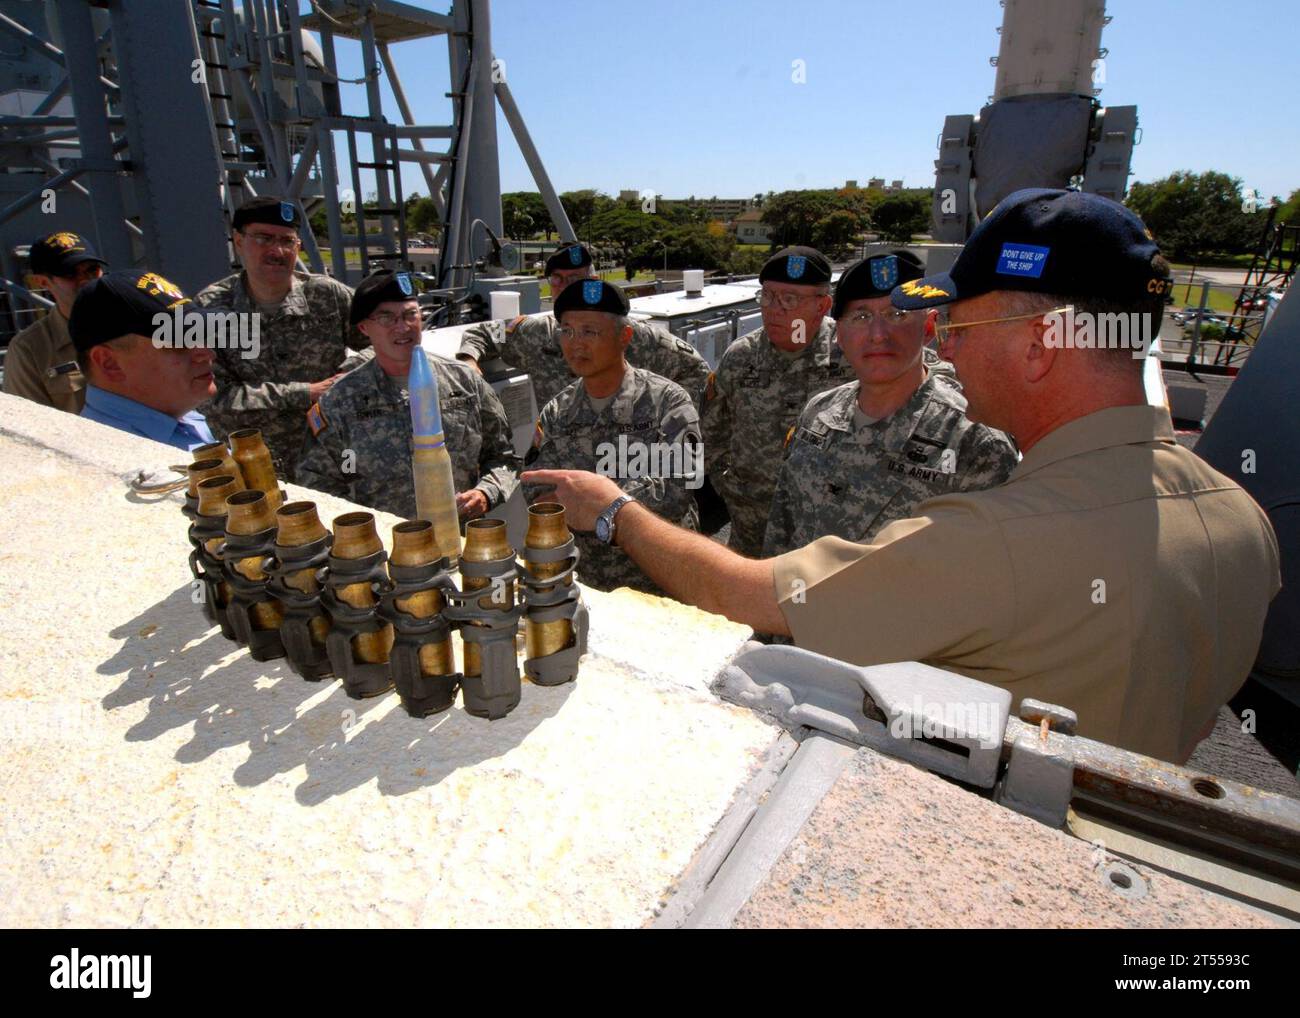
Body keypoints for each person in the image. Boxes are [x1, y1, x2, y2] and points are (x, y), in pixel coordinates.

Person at [523, 189, 1281, 764]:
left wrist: (611, 507)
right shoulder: (1244, 518)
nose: (946, 350)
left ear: (1040, 346)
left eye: (961, 329)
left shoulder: (997, 537)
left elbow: (752, 592)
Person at [762, 251, 1017, 556]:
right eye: (861, 317)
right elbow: (782, 530)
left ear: (928, 328)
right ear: (839, 334)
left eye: (898, 315)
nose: (878, 335)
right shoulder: (819, 413)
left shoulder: (975, 442)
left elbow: (992, 575)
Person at [522, 279, 700, 595]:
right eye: (567, 330)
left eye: (590, 332)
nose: (576, 343)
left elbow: (680, 488)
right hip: (587, 580)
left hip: (659, 580)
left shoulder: (668, 402)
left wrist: (597, 504)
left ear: (625, 337)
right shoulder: (557, 411)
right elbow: (536, 487)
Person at [296, 270, 519, 520]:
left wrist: (486, 493)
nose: (402, 327)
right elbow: (316, 482)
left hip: (460, 539)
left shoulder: (466, 383)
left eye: (410, 314)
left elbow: (504, 457)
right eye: (386, 317)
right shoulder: (340, 402)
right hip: (383, 545)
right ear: (364, 327)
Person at [700, 245, 855, 557]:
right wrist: (731, 489)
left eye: (789, 299)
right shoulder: (740, 357)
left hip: (825, 527)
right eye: (767, 296)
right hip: (751, 521)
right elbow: (711, 432)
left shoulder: (850, 356)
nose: (774, 309)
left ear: (822, 305)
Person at [196, 196, 366, 475]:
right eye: (263, 238)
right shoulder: (207, 308)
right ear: (238, 241)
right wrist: (305, 393)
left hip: (330, 461)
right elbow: (208, 398)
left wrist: (345, 375)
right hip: (253, 468)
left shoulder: (326, 295)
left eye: (287, 241)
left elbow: (389, 342)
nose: (277, 250)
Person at [456, 241, 710, 411]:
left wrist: (664, 422)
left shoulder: (634, 335)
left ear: (594, 282)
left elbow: (695, 371)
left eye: (575, 279)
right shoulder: (537, 334)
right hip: (565, 461)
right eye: (557, 278)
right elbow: (486, 333)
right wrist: (469, 360)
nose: (565, 286)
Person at [69, 270, 217, 451]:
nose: (207, 353)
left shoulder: (174, 417)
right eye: (178, 343)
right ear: (109, 364)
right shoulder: (119, 456)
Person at [2, 231, 106, 412]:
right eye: (69, 273)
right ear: (43, 282)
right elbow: (32, 427)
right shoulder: (29, 350)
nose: (85, 280)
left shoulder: (136, 321)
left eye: (91, 270)